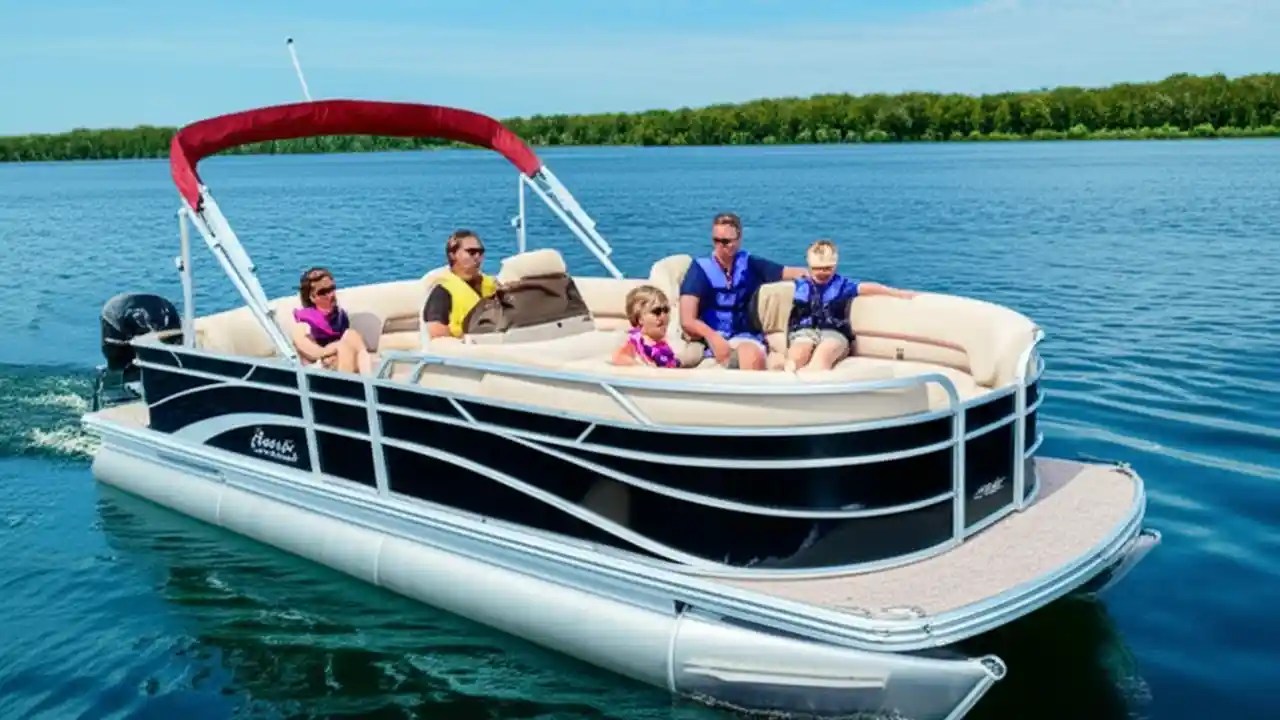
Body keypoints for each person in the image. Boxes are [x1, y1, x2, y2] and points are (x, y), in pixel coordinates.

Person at [678, 212, 807, 370]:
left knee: (750, 353)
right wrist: (713, 337)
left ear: (738, 240)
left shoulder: (749, 264)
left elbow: (787, 272)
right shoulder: (699, 269)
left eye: (726, 241)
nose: (720, 246)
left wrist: (819, 276)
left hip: (745, 336)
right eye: (716, 240)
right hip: (711, 337)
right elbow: (687, 319)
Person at [786, 239, 918, 371]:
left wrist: (898, 293)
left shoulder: (843, 285)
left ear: (835, 266)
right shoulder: (801, 285)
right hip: (804, 331)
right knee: (797, 355)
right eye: (817, 269)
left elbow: (868, 287)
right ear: (809, 267)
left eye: (827, 268)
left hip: (834, 332)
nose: (822, 273)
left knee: (823, 355)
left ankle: (816, 382)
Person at [291, 267, 373, 374]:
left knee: (352, 335)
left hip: (344, 360)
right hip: (321, 369)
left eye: (332, 289)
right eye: (323, 292)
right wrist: (335, 348)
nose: (331, 295)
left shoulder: (339, 316)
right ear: (312, 297)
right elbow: (310, 351)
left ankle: (369, 383)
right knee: (344, 347)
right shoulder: (304, 323)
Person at [422, 229, 499, 339]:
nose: (477, 257)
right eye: (471, 252)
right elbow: (436, 333)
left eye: (480, 252)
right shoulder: (442, 291)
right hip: (463, 350)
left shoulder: (492, 285)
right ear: (453, 255)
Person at [611, 285, 682, 368]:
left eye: (666, 310)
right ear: (639, 318)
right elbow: (618, 358)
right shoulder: (634, 342)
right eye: (656, 312)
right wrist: (643, 368)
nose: (663, 316)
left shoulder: (664, 344)